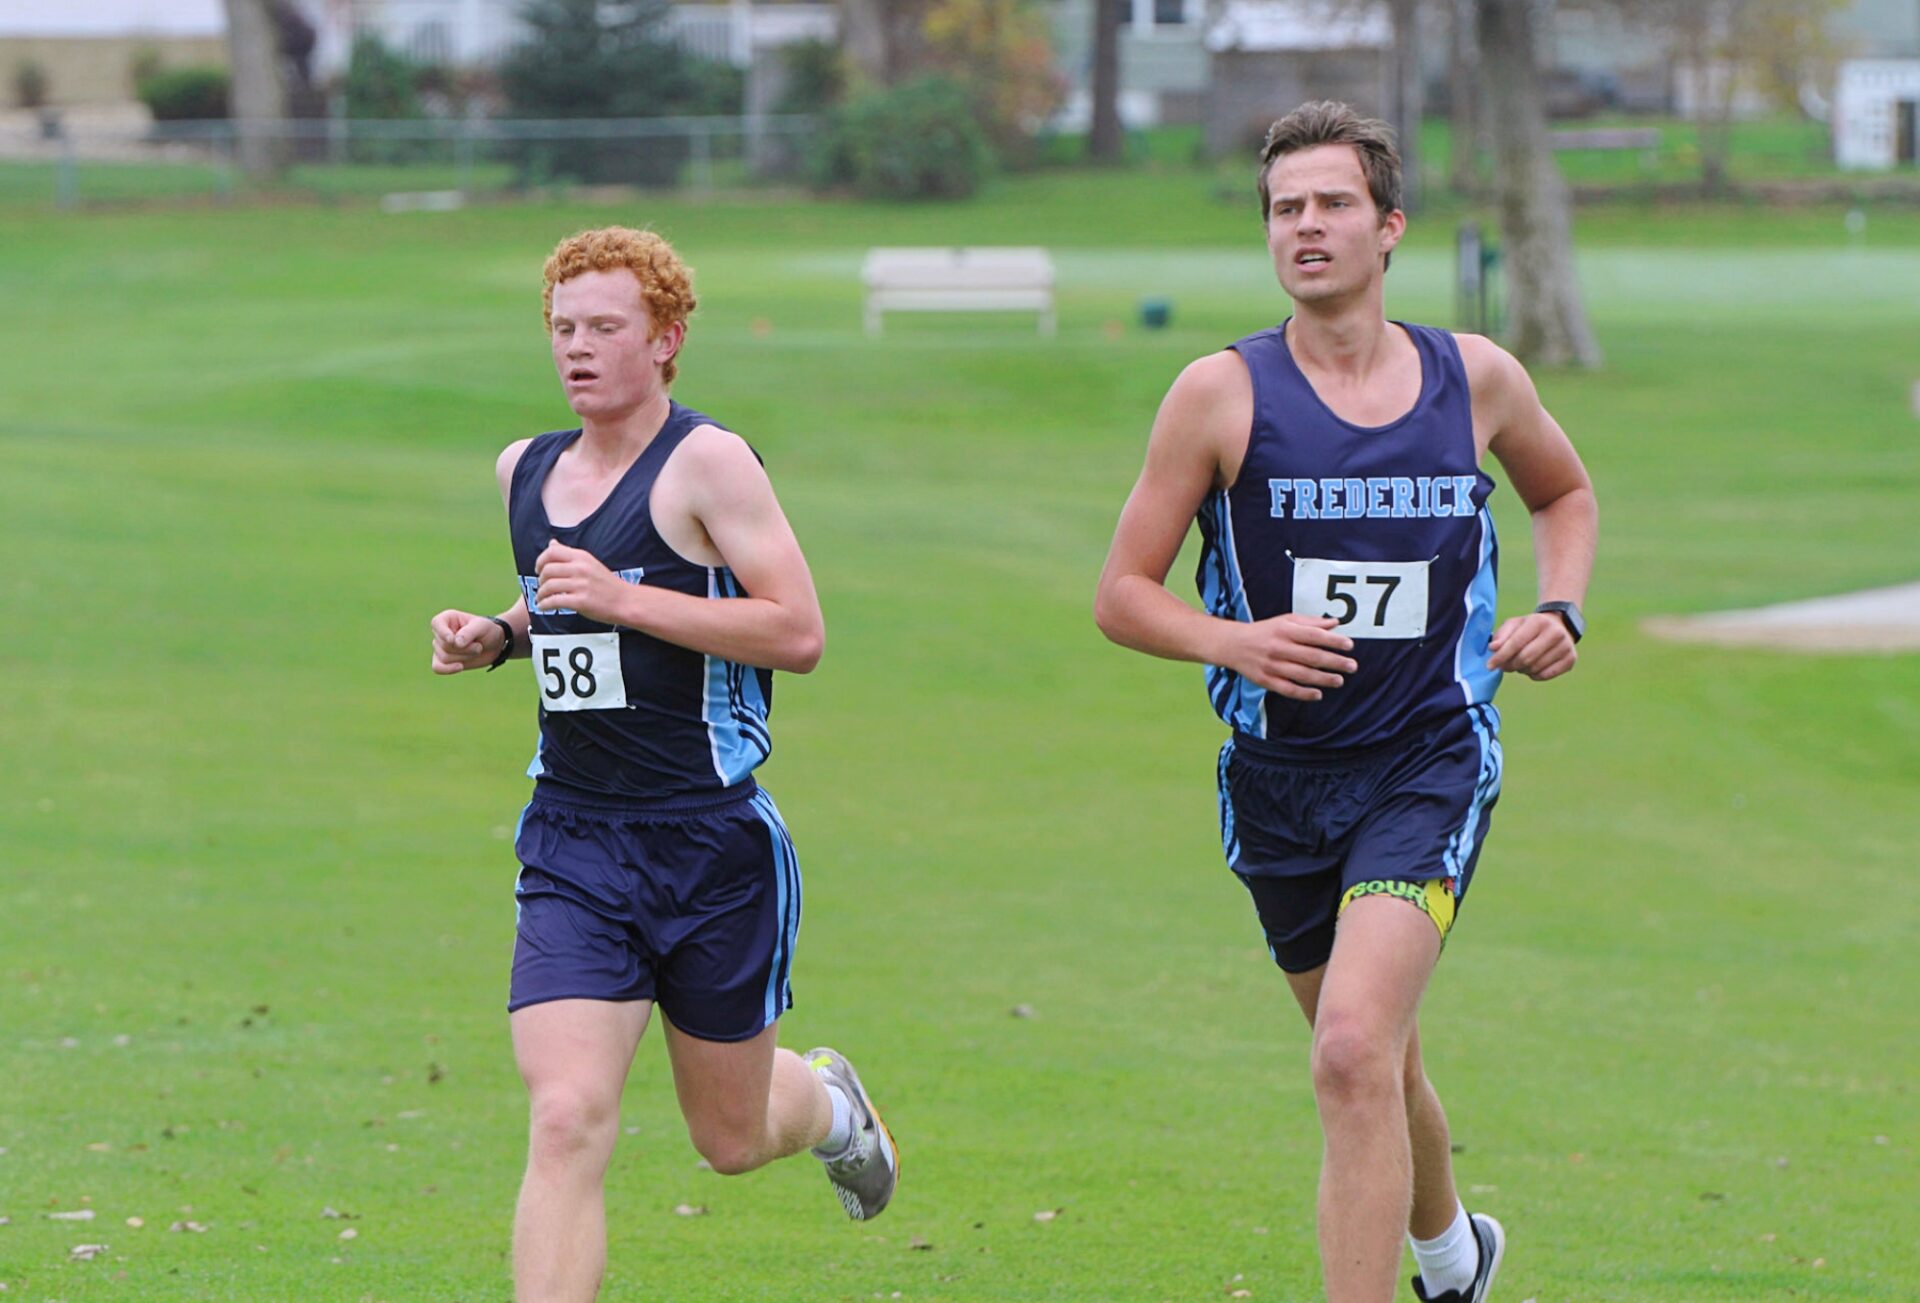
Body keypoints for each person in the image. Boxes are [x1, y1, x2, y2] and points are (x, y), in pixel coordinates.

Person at [1093, 102, 1596, 1303]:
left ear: (1390, 227)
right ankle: (1451, 1255)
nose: (1305, 227)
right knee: (1372, 1056)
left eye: (1331, 205)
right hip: (1277, 784)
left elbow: (1564, 494)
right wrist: (1234, 640)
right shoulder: (1218, 396)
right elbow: (1121, 593)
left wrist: (1560, 609)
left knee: (1353, 1049)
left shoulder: (1473, 378)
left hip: (1428, 760)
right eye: (1284, 209)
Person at [428, 227, 898, 1302]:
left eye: (606, 327)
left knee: (729, 1138)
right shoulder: (525, 470)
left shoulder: (708, 464)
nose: (578, 348)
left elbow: (797, 632)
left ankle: (828, 1105)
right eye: (562, 328)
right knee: (566, 1116)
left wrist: (623, 598)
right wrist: (498, 635)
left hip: (710, 840)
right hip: (574, 837)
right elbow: (563, 601)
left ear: (667, 339)